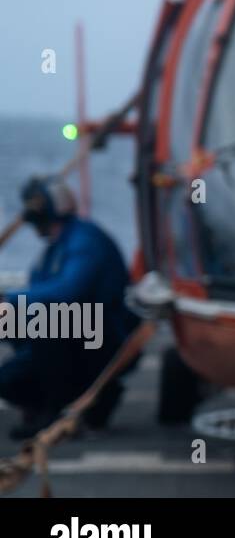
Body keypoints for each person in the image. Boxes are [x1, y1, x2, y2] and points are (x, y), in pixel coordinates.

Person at [0, 177, 139, 441]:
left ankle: (60, 410)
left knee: (49, 320)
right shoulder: (55, 248)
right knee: (7, 379)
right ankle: (67, 403)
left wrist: (10, 302)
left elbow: (68, 293)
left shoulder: (84, 241)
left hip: (101, 337)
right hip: (75, 336)